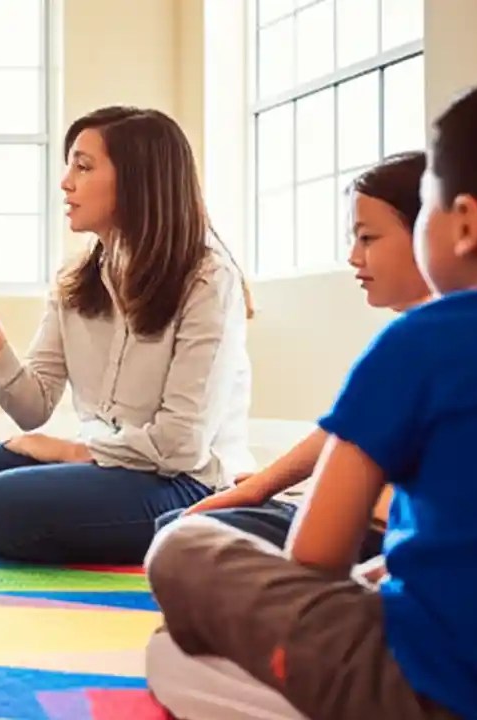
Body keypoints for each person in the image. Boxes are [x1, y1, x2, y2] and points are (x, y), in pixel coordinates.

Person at [145, 66, 477, 720]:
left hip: (425, 690)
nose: (355, 255)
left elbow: (315, 557)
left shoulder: (422, 343)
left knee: (182, 555)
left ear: (466, 224)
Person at [0, 106, 255, 564]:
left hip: (180, 480)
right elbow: (32, 409)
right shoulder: (78, 277)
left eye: (84, 166)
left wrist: (68, 451)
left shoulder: (207, 279)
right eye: (69, 164)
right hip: (104, 464)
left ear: (138, 181)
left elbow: (180, 445)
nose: (66, 182)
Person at [152, 152, 431, 568]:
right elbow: (343, 431)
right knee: (179, 530)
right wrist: (257, 488)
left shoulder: (434, 338)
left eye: (368, 238)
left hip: (395, 537)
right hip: (372, 527)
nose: (354, 257)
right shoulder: (413, 337)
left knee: (184, 542)